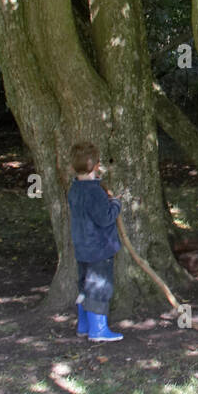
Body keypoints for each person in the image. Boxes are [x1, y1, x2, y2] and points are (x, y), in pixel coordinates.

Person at [66, 142, 124, 342]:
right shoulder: (95, 192)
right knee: (99, 286)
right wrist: (116, 204)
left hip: (82, 248)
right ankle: (98, 330)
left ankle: (84, 325)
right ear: (97, 166)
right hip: (99, 249)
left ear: (73, 168)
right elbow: (105, 218)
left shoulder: (74, 189)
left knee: (84, 286)